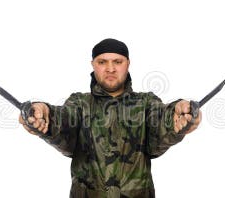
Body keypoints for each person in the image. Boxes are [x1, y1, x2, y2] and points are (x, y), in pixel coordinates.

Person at [17, 38, 202, 197]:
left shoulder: (146, 103)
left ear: (128, 63)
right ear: (93, 65)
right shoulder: (79, 103)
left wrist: (178, 117)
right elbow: (63, 122)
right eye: (102, 62)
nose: (110, 69)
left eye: (117, 62)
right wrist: (45, 117)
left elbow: (160, 125)